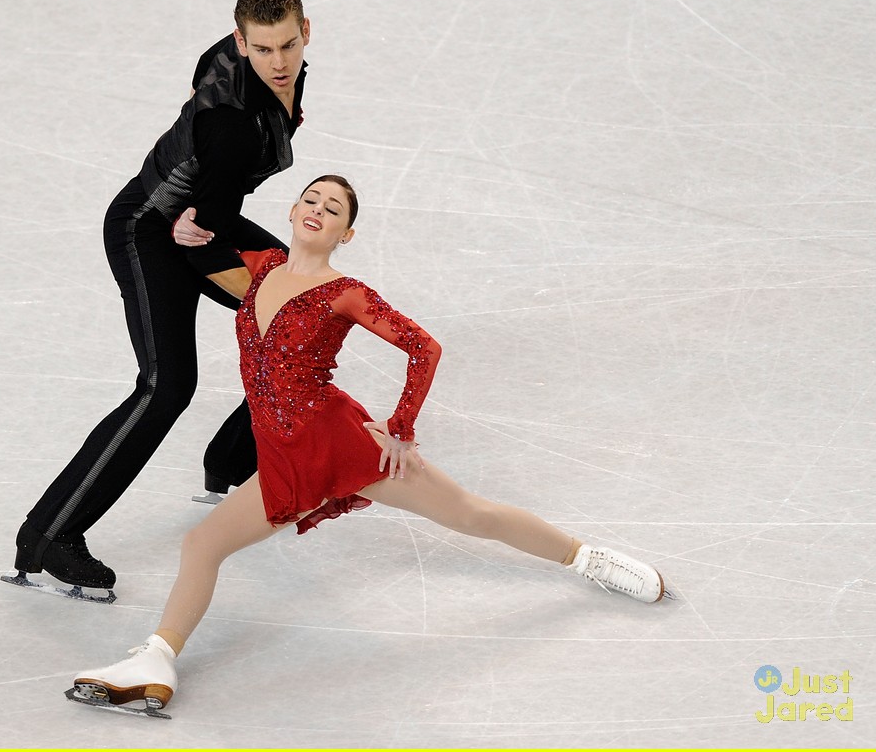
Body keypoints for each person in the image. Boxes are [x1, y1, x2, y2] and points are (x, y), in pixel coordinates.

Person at [69, 175, 673, 716]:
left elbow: (424, 348)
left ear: (346, 234)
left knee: (472, 515)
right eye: (310, 200)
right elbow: (192, 250)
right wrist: (184, 230)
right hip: (281, 456)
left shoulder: (345, 292)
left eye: (332, 209)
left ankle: (589, 559)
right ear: (292, 211)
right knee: (202, 545)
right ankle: (157, 660)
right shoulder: (261, 266)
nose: (317, 210)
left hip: (338, 444)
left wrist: (401, 428)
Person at [11, 0, 312, 594]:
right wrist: (211, 238)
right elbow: (202, 230)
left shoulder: (260, 68)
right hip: (149, 231)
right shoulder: (232, 128)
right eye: (262, 49)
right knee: (167, 385)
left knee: (304, 306)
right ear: (241, 43)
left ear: (306, 32)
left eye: (287, 45)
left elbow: (208, 80)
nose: (278, 62)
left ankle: (233, 461)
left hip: (197, 219)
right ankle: (48, 535)